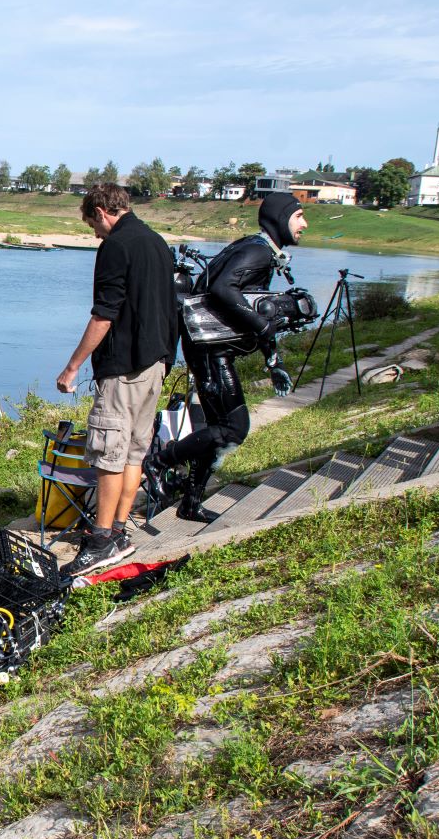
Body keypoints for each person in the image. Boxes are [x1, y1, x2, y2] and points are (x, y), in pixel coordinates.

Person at [143, 194, 303, 521]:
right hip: (210, 353)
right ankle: (158, 463)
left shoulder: (258, 249)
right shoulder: (257, 251)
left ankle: (190, 502)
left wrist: (273, 362)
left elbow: (254, 304)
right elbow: (223, 290)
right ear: (280, 218)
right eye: (299, 216)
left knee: (218, 430)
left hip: (210, 350)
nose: (304, 224)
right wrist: (263, 328)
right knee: (234, 428)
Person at [55, 183, 178, 577]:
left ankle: (101, 539)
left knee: (109, 452)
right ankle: (121, 531)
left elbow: (104, 315)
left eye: (92, 222)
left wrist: (73, 365)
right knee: (134, 452)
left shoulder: (116, 246)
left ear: (102, 212)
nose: (94, 232)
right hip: (155, 363)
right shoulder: (157, 242)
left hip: (125, 367)